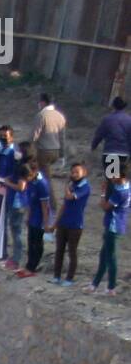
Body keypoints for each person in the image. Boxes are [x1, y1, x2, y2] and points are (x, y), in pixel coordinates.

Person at [85, 159, 131, 295]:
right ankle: (95, 284)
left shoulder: (120, 193)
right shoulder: (126, 186)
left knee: (110, 257)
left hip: (113, 226)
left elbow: (105, 206)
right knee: (104, 255)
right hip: (118, 224)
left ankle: (110, 286)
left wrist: (103, 192)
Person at [50, 162, 90, 286]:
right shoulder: (72, 184)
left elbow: (70, 197)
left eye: (77, 172)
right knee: (59, 251)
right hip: (63, 223)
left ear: (84, 173)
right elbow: (64, 205)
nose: (74, 174)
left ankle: (69, 278)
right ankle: (56, 276)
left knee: (72, 252)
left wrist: (67, 186)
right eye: (72, 172)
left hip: (75, 225)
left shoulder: (85, 187)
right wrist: (56, 223)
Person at [20, 158, 53, 276]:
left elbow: (45, 207)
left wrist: (45, 223)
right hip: (33, 217)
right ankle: (29, 265)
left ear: (32, 173)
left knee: (37, 244)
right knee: (30, 242)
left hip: (40, 218)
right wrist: (28, 217)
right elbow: (30, 202)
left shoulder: (42, 184)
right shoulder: (30, 182)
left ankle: (33, 267)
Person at [32, 93, 66, 203]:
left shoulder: (42, 115)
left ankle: (51, 203)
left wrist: (27, 149)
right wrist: (62, 155)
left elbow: (34, 135)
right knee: (42, 174)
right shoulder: (60, 116)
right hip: (55, 151)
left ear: (43, 102)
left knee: (46, 179)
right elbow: (62, 138)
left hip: (44, 151)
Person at [90, 97, 131, 176]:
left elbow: (99, 135)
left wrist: (93, 146)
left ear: (113, 106)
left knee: (111, 179)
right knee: (120, 180)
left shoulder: (107, 119)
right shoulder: (129, 120)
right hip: (124, 154)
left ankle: (111, 186)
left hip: (110, 153)